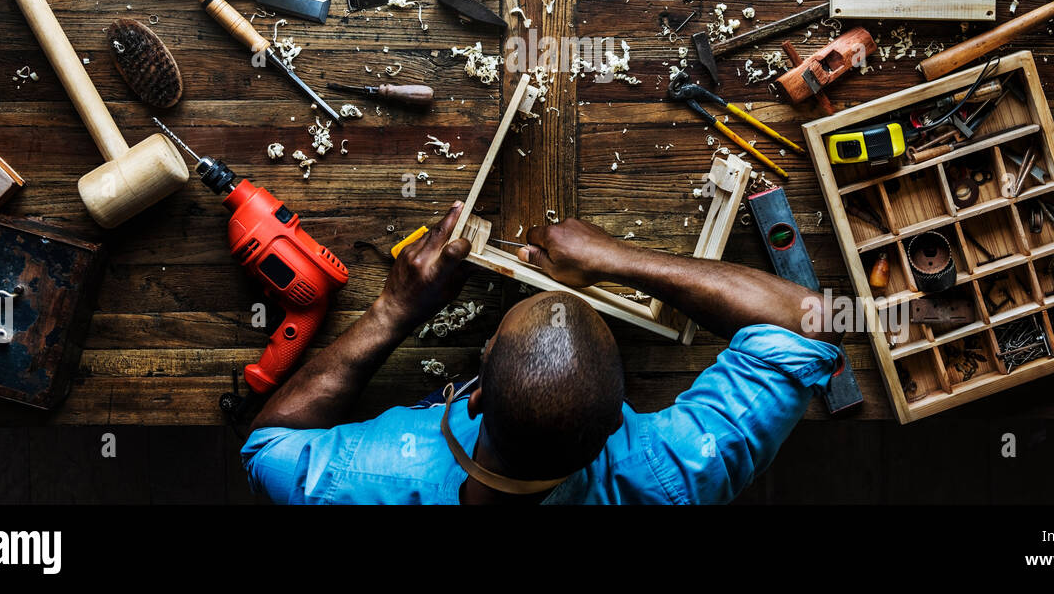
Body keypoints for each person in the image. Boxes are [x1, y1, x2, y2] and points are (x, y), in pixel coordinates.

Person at [242, 201, 844, 504]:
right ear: (615, 423)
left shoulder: (363, 476)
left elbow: (266, 445)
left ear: (475, 397)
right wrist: (616, 260)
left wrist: (392, 310)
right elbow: (806, 322)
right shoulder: (670, 478)